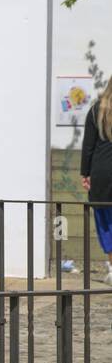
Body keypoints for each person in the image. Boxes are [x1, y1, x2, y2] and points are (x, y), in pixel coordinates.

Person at [79, 84, 112, 284]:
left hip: (101, 173)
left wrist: (85, 172)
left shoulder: (95, 109)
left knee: (105, 223)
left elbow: (88, 145)